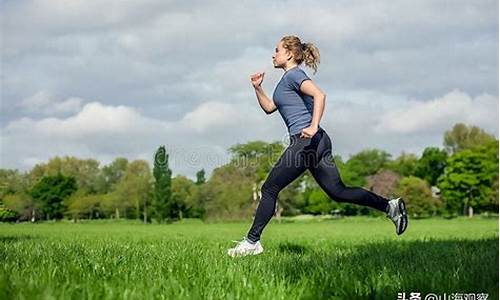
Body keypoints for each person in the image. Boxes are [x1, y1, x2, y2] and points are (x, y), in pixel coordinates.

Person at [227, 35, 408, 257]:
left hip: (307, 140)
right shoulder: (285, 82)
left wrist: (313, 126)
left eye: (277, 50)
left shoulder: (295, 75)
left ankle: (252, 242)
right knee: (338, 192)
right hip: (318, 141)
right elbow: (269, 107)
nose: (273, 54)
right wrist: (257, 88)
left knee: (269, 188)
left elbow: (319, 95)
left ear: (290, 54)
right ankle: (389, 206)